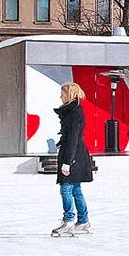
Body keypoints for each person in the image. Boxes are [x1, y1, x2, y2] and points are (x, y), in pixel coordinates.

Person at [52, 83, 93, 236]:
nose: (60, 96)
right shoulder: (73, 111)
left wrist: (68, 162)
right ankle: (83, 220)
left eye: (62, 93)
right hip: (76, 153)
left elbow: (73, 138)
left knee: (66, 188)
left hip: (74, 154)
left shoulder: (74, 113)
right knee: (75, 189)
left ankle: (69, 220)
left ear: (69, 94)